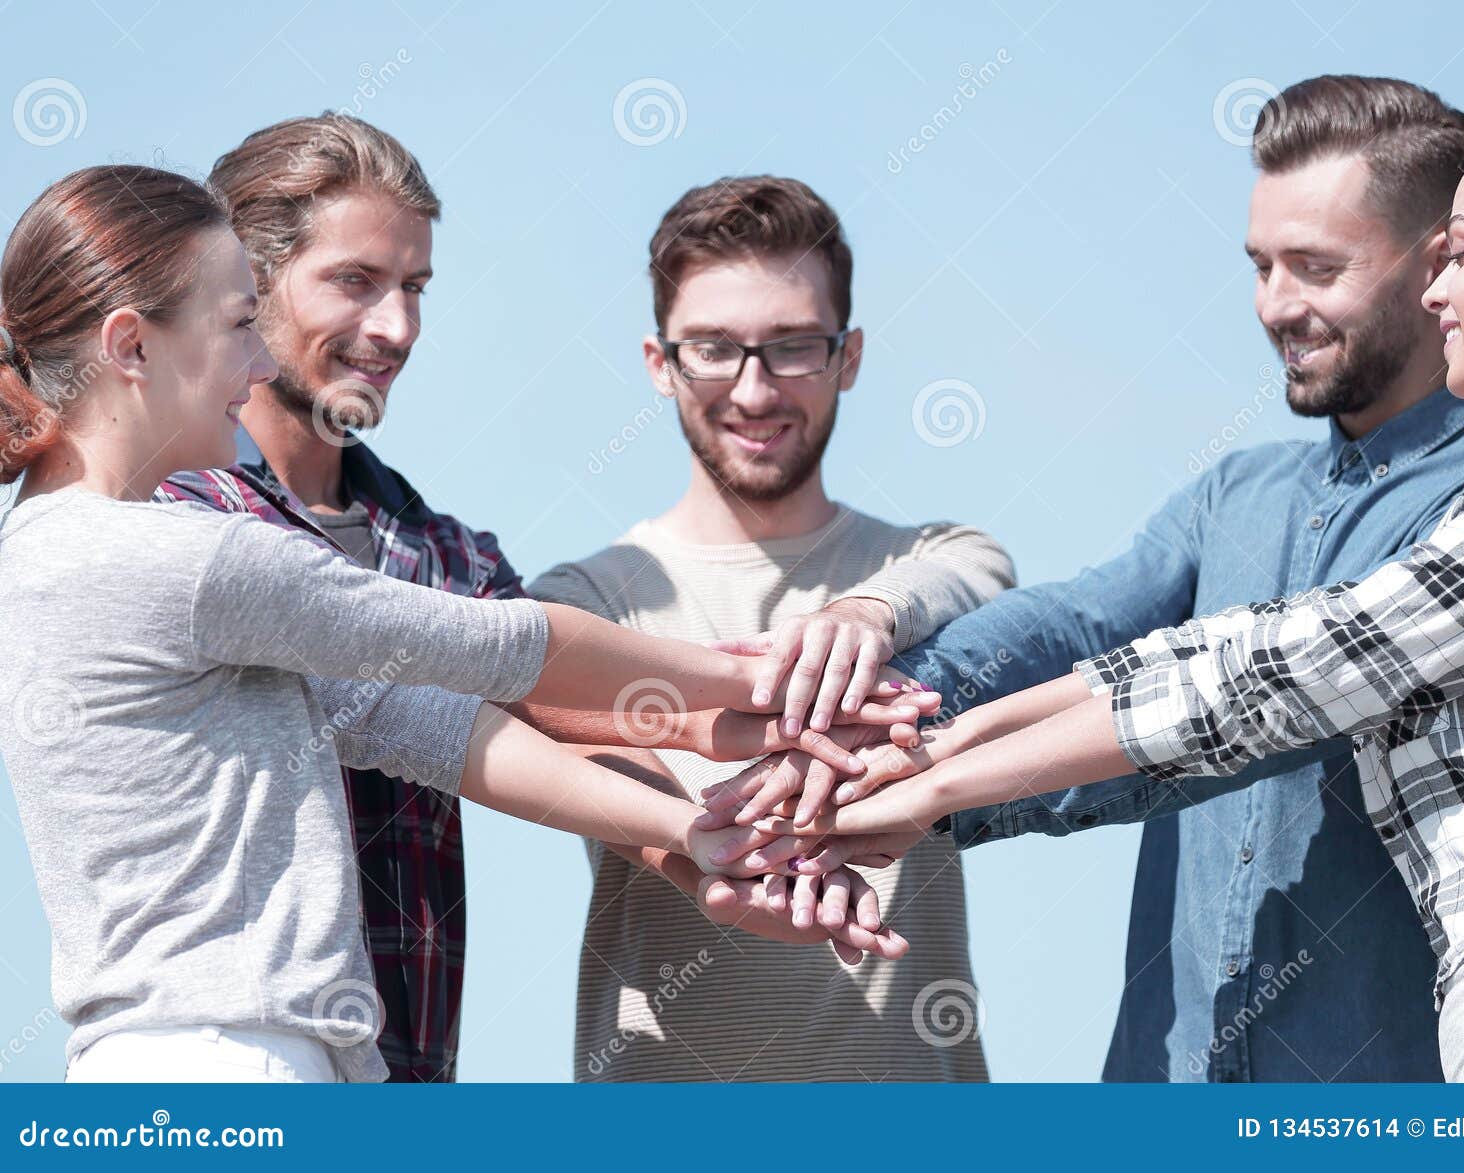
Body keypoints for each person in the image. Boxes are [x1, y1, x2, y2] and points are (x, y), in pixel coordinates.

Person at [0, 164, 902, 1084]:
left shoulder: (45, 550)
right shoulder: (197, 555)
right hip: (231, 1061)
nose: (260, 356)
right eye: (239, 322)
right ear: (131, 346)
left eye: (414, 288)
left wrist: (699, 829)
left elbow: (410, 716)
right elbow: (493, 646)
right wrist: (758, 681)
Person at [770, 90, 1464, 1083]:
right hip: (1177, 1076)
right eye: (1260, 267)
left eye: (1317, 268)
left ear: (1438, 260)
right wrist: (880, 702)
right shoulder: (1236, 496)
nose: (1276, 305)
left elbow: (1284, 685)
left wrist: (932, 782)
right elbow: (1089, 629)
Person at [528, 175, 1014, 1081]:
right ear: (658, 360)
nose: (753, 390)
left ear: (850, 355)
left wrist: (865, 614)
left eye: (792, 347)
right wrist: (713, 845)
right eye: (714, 349)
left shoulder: (935, 564)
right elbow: (551, 728)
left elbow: (979, 577)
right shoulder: (585, 600)